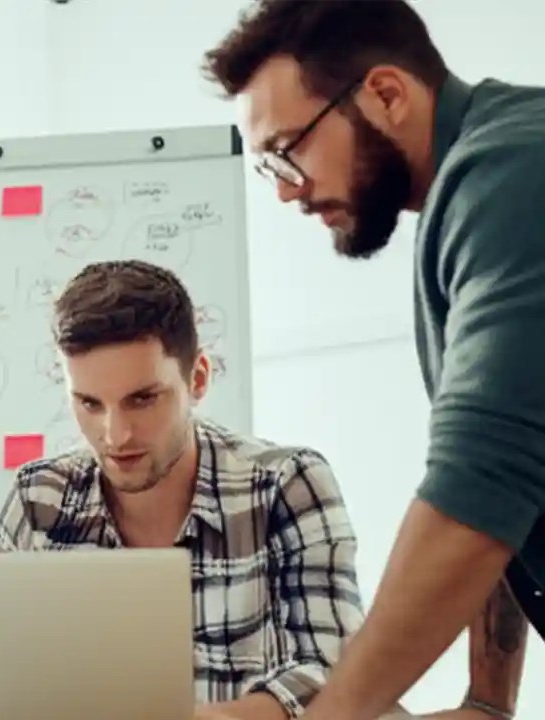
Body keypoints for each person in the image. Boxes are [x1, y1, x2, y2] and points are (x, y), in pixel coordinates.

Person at [202, 1, 543, 719]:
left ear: (386, 94)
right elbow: (517, 479)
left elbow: (480, 486)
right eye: (271, 167)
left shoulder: (511, 176)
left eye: (289, 149)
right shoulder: (485, 179)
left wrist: (336, 716)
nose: (288, 191)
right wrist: (488, 700)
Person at [0, 260, 364, 720]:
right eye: (89, 403)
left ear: (199, 379)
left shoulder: (286, 483)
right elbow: (9, 679)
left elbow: (336, 670)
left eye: (143, 398)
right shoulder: (39, 499)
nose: (115, 435)